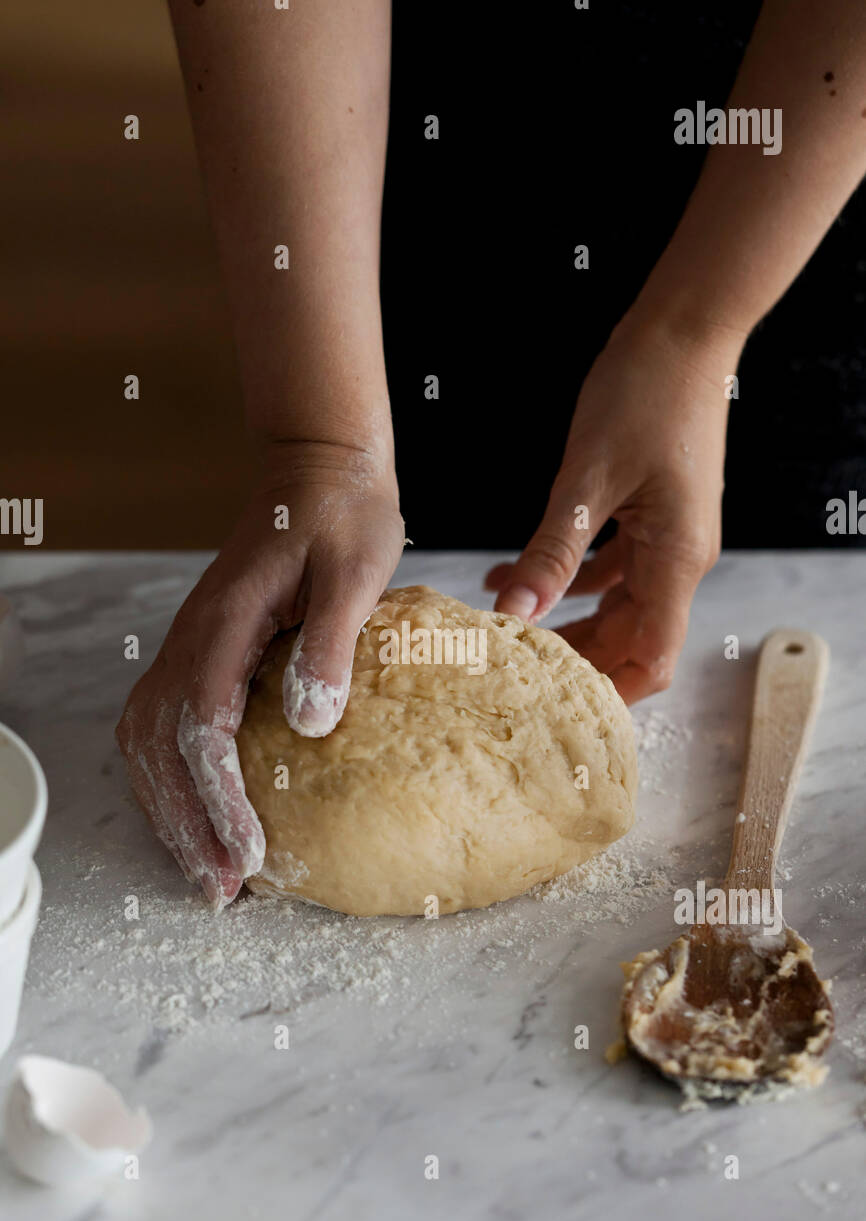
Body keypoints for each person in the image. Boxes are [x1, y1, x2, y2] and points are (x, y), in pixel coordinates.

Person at [117, 0, 866, 909]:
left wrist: (700, 335)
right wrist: (320, 444)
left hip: (798, 185)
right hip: (414, 188)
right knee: (342, 574)